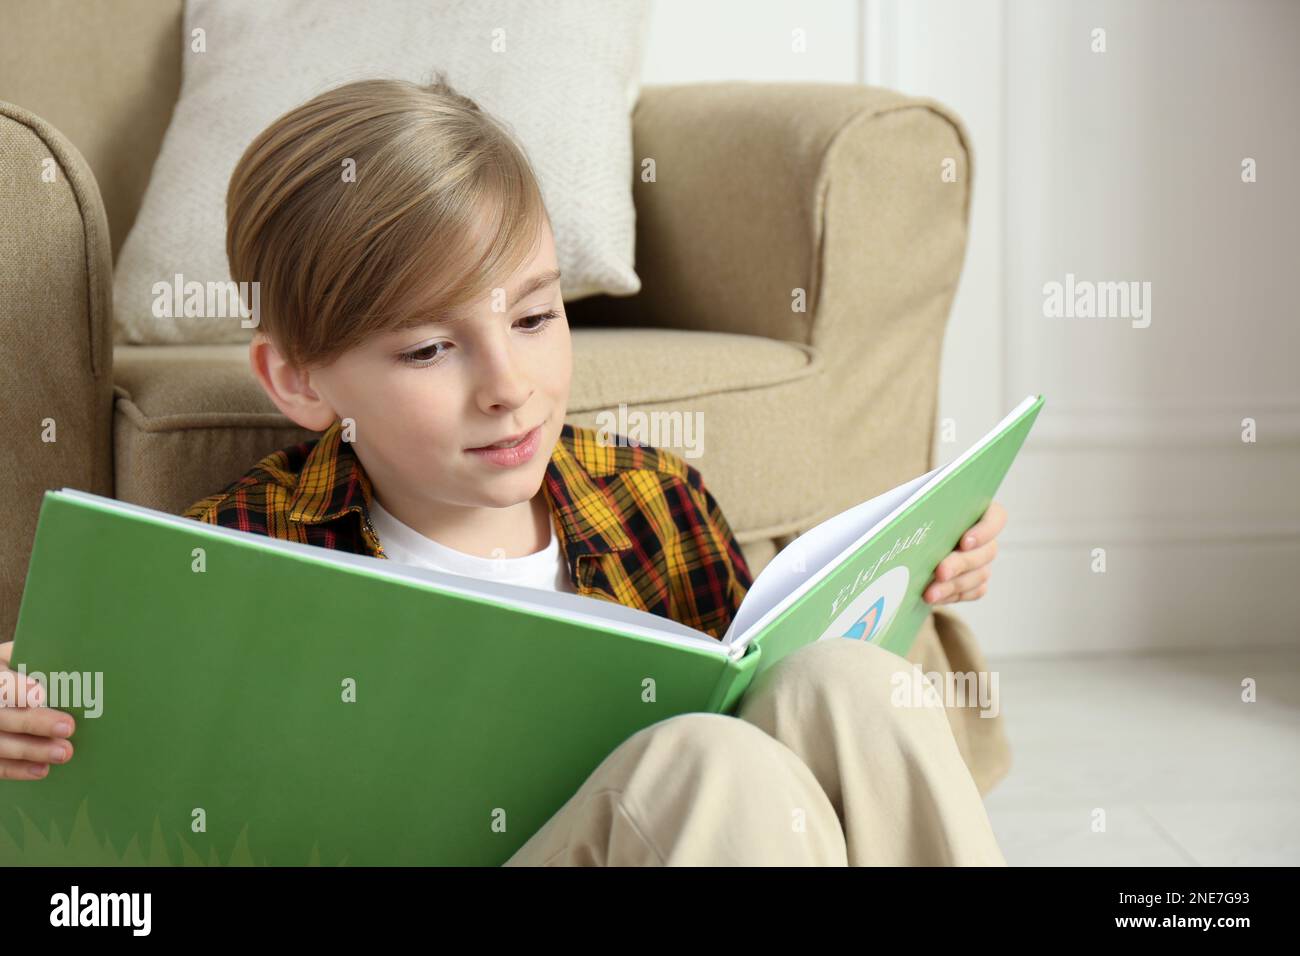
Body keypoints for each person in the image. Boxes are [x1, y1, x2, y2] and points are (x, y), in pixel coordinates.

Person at [0, 75, 1008, 865]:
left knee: (846, 682)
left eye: (532, 317)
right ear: (300, 381)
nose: (509, 385)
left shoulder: (650, 500)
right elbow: (115, 801)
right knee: (713, 764)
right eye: (431, 350)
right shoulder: (234, 556)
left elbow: (761, 695)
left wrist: (917, 579)